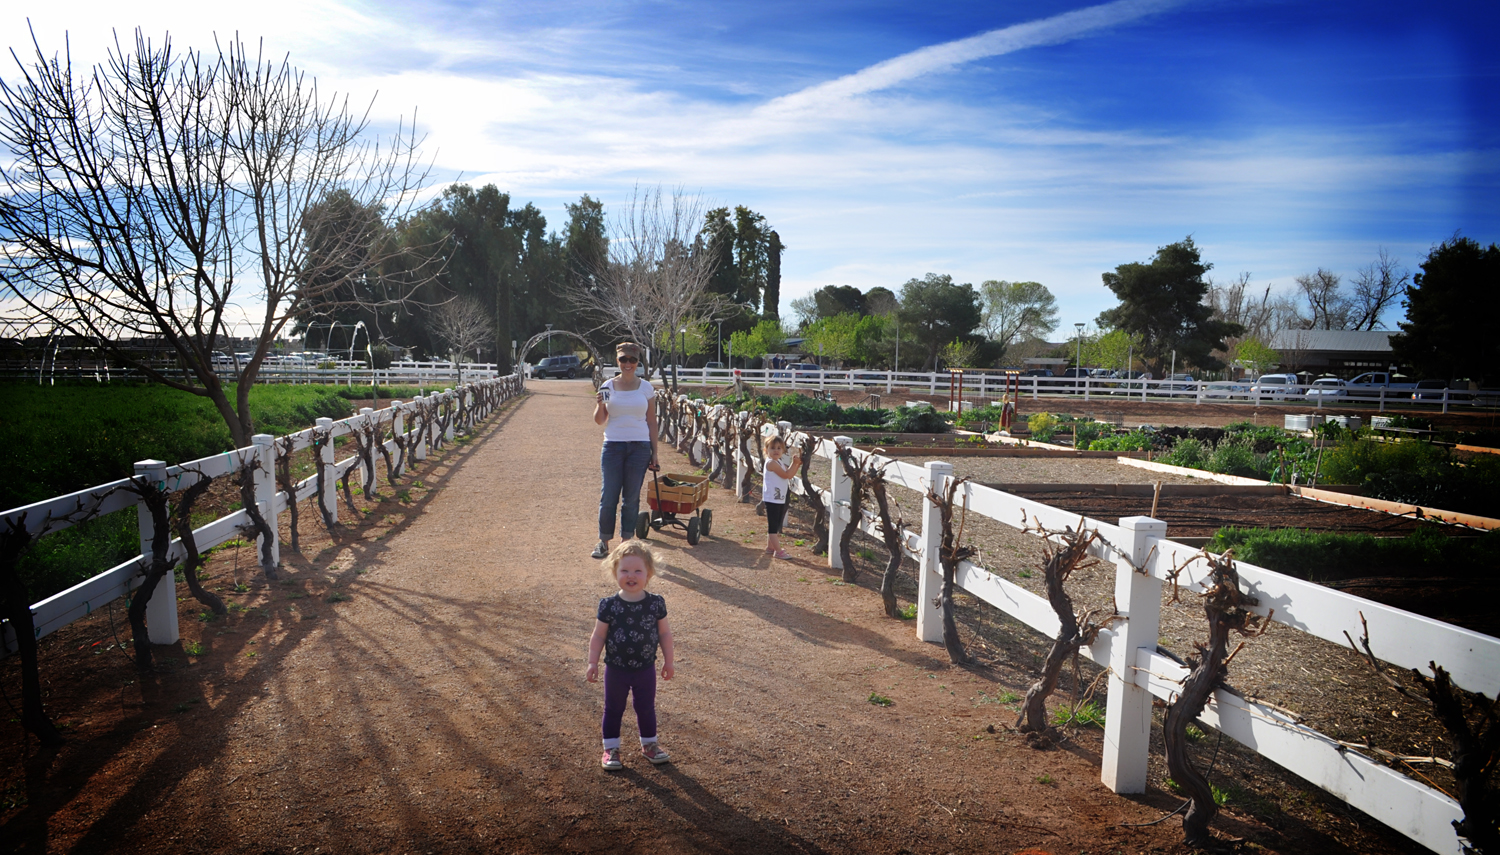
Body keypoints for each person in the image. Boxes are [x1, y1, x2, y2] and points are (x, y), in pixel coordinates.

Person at [586, 541, 675, 770]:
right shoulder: (608, 605)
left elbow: (664, 633)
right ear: (615, 571)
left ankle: (649, 745)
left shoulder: (656, 603)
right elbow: (598, 636)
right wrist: (592, 662)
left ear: (649, 573)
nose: (631, 575)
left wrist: (669, 661)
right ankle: (611, 749)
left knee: (646, 707)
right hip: (615, 669)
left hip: (646, 668)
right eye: (624, 570)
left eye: (638, 570)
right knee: (613, 708)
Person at [592, 343, 659, 559]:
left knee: (631, 497)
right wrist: (600, 405)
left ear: (638, 361)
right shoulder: (608, 386)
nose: (628, 364)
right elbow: (600, 420)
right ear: (618, 361)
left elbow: (651, 422)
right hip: (613, 445)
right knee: (609, 495)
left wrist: (654, 453)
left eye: (632, 360)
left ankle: (626, 543)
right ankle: (603, 541)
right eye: (623, 360)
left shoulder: (646, 388)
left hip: (639, 446)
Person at [761, 435, 801, 560]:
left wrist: (796, 464)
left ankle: (770, 547)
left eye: (779, 448)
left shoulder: (778, 462)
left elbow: (788, 473)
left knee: (775, 523)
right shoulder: (771, 463)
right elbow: (787, 475)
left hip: (778, 498)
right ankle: (778, 551)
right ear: (766, 450)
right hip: (772, 498)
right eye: (772, 448)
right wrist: (795, 464)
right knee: (773, 528)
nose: (776, 450)